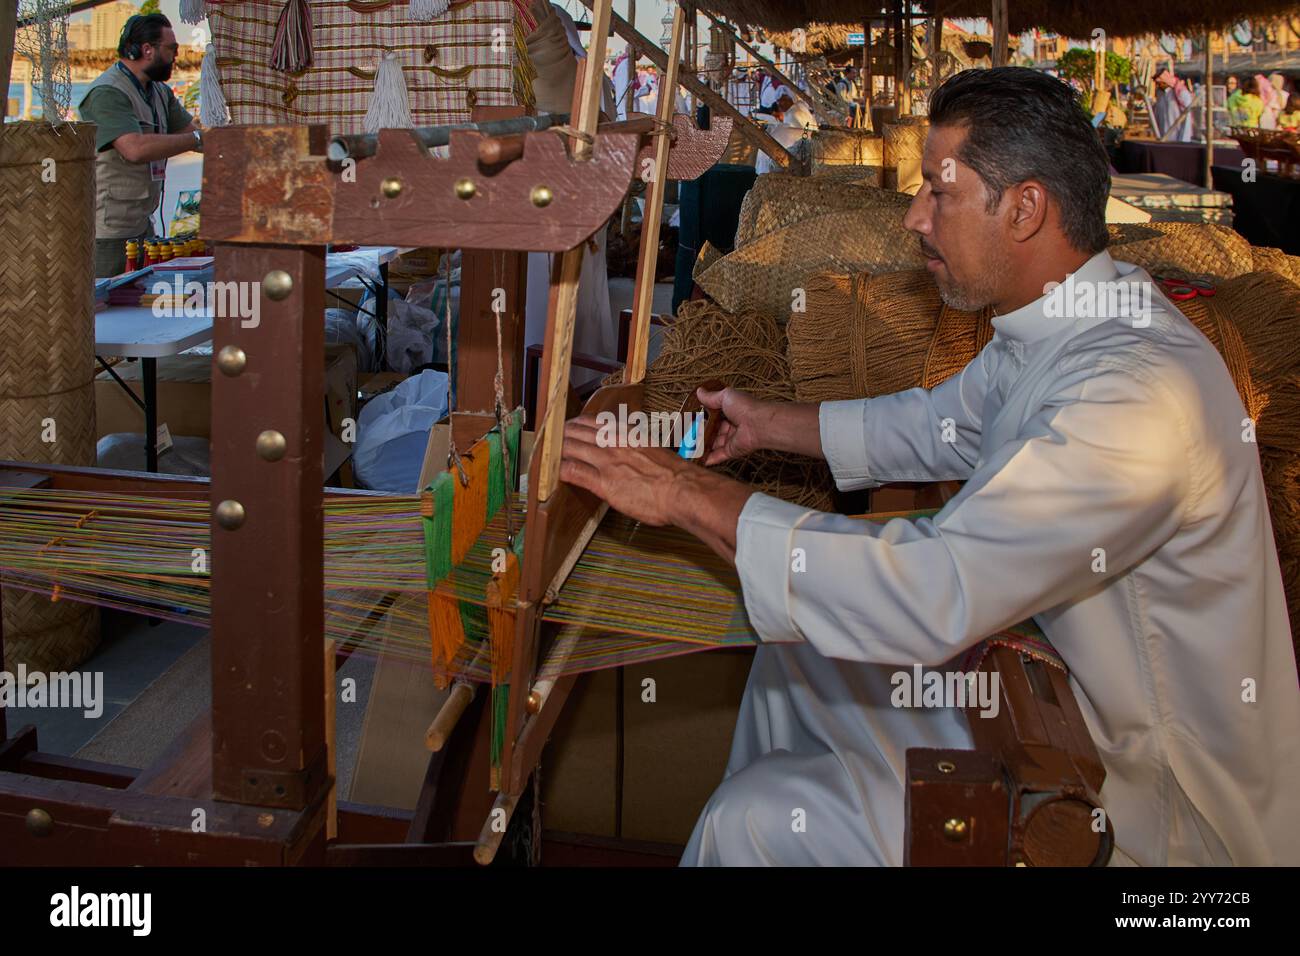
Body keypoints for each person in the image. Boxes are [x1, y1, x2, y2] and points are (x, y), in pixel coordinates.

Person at [558, 66, 1300, 866]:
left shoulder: (1133, 398)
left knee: (756, 819)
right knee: (795, 658)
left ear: (1024, 209)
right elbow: (938, 424)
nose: (913, 218)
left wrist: (679, 491)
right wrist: (762, 423)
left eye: (938, 192)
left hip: (1150, 807)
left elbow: (937, 590)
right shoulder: (1073, 322)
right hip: (1061, 701)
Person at [77, 13, 201, 278]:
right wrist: (199, 140)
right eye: (172, 49)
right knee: (109, 311)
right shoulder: (107, 92)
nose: (176, 56)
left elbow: (193, 134)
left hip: (143, 224)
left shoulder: (159, 92)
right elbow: (134, 149)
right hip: (109, 230)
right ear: (147, 50)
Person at [1152, 64, 1194, 141]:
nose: (1158, 85)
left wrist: (1183, 140)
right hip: (1163, 138)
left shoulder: (1181, 93)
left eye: (1160, 83)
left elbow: (1187, 118)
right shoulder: (1160, 94)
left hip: (1178, 139)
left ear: (1165, 81)